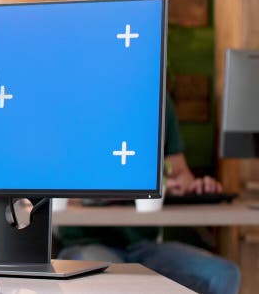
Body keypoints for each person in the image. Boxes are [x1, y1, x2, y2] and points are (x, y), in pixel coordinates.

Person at [57, 100, 241, 294]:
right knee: (117, 283)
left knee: (224, 274)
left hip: (143, 245)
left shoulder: (158, 99)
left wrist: (191, 187)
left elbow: (178, 174)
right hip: (87, 243)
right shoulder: (78, 99)